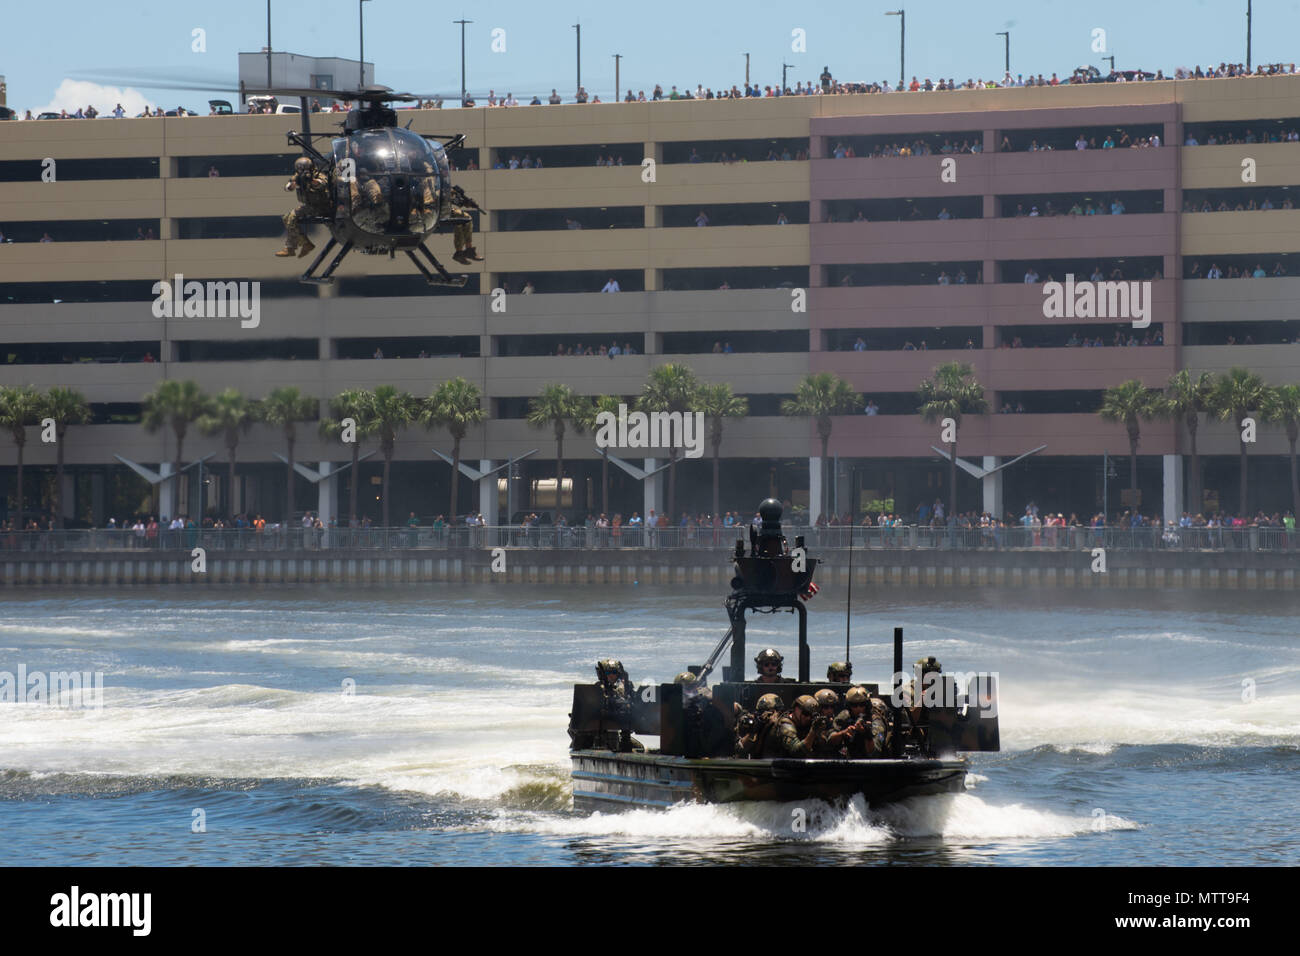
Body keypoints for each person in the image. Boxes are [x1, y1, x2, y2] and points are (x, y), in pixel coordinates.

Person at [276, 157, 331, 258]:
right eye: (300, 169)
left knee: (292, 217)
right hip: (310, 206)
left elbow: (322, 183)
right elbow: (287, 187)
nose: (302, 172)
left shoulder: (318, 175)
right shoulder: (297, 176)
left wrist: (311, 181)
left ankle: (290, 248)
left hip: (322, 206)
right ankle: (305, 244)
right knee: (286, 218)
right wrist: (294, 183)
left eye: (304, 169)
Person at [447, 184, 485, 264]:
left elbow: (451, 198)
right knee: (462, 218)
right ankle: (461, 251)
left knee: (465, 219)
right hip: (430, 210)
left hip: (442, 209)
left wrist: (466, 202)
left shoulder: (438, 182)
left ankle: (465, 251)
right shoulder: (429, 183)